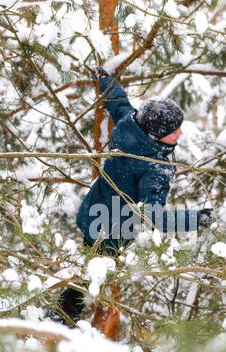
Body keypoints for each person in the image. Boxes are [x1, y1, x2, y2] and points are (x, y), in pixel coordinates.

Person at [51, 68, 215, 326]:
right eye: (174, 130)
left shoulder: (130, 124)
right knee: (92, 275)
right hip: (115, 228)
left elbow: (117, 102)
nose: (180, 134)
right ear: (157, 134)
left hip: (94, 209)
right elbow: (156, 219)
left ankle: (64, 314)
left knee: (89, 265)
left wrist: (104, 80)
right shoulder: (154, 169)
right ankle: (60, 320)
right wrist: (198, 219)